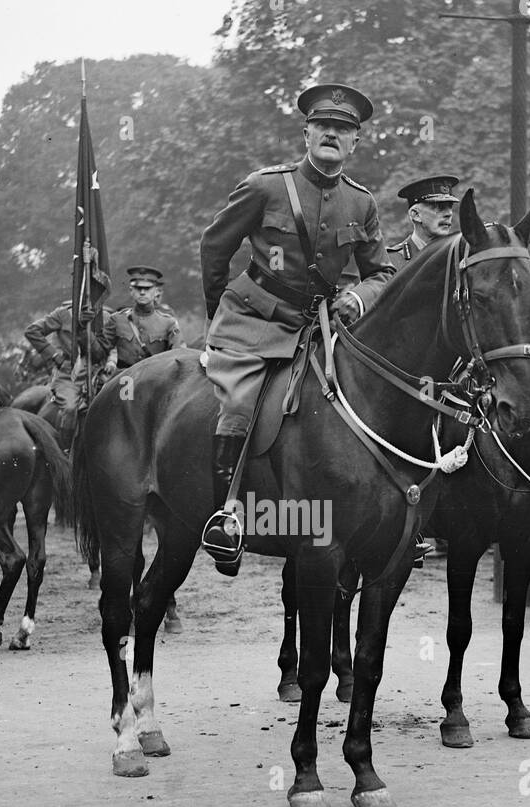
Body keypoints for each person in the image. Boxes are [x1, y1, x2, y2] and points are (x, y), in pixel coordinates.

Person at [198, 82, 395, 573]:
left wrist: (357, 295)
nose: (332, 133)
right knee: (241, 402)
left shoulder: (361, 203)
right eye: (324, 126)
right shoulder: (265, 186)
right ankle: (227, 515)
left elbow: (383, 272)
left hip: (322, 324)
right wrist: (220, 316)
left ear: (355, 142)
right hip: (255, 321)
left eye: (344, 129)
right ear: (307, 132)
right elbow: (214, 248)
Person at [111, 266, 183, 369]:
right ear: (131, 290)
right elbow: (101, 351)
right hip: (124, 378)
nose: (142, 292)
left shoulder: (168, 320)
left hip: (155, 377)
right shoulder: (118, 319)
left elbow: (179, 354)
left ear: (156, 291)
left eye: (147, 288)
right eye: (138, 288)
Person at [385, 175, 459, 270]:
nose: (449, 213)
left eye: (450, 207)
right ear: (415, 214)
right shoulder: (392, 262)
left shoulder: (458, 258)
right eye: (439, 207)